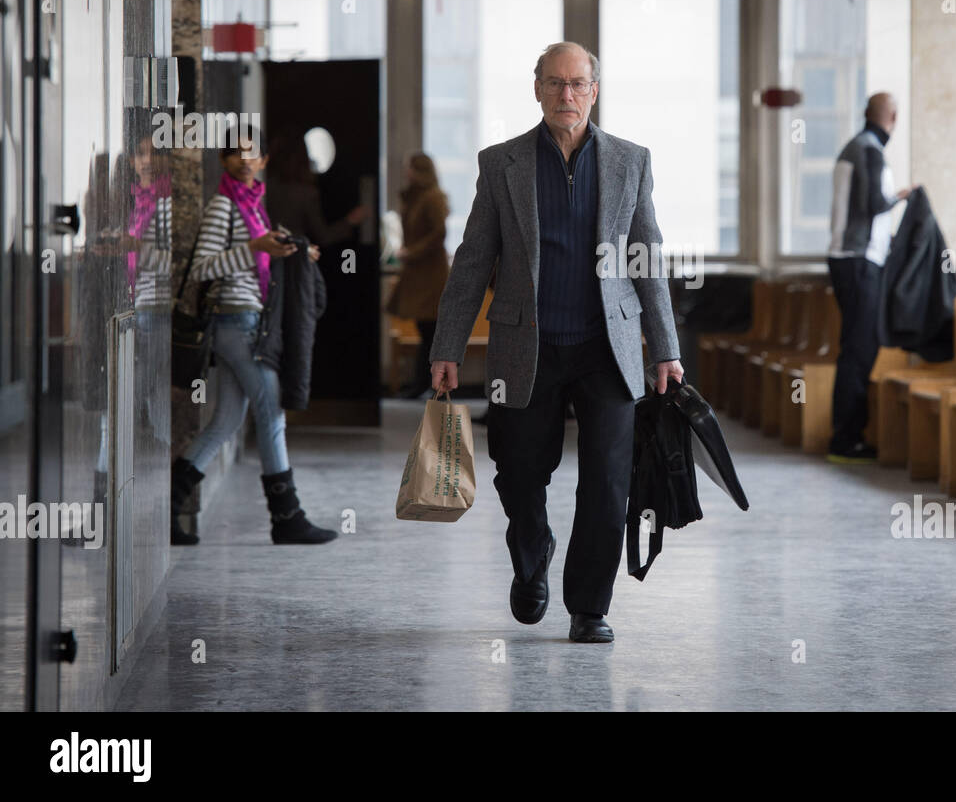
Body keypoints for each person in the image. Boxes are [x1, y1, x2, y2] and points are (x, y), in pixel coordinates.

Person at [429, 41, 683, 644]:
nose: (566, 94)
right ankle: (533, 545)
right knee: (517, 470)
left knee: (608, 480)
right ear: (537, 89)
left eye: (577, 84)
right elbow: (472, 262)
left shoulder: (631, 161)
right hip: (525, 346)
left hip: (608, 346)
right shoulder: (502, 164)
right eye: (554, 83)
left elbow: (646, 257)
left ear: (594, 90)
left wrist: (665, 346)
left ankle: (589, 607)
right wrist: (449, 346)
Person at [170, 124, 337, 546]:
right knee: (272, 414)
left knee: (224, 422)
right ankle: (286, 517)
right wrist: (257, 249)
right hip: (234, 323)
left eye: (253, 153)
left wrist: (295, 248)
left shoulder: (256, 205)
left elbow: (259, 250)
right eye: (236, 153)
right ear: (224, 160)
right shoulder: (223, 206)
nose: (245, 160)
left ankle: (166, 508)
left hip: (245, 323)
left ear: (263, 160)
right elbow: (200, 270)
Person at [825, 92, 917, 463]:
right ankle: (846, 440)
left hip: (850, 259)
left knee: (856, 347)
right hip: (859, 261)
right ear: (892, 116)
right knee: (860, 350)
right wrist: (904, 196)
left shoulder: (855, 145)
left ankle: (846, 437)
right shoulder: (869, 149)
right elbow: (873, 204)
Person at [386, 153, 450, 398]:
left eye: (408, 168)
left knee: (430, 330)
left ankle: (425, 384)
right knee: (426, 330)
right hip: (418, 272)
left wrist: (411, 252)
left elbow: (438, 234)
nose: (405, 172)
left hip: (430, 275)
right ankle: (423, 383)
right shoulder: (416, 198)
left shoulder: (432, 198)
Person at [265, 130, 368, 245]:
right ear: (303, 157)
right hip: (294, 257)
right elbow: (324, 237)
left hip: (265, 257)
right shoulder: (306, 193)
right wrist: (350, 220)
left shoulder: (263, 188)